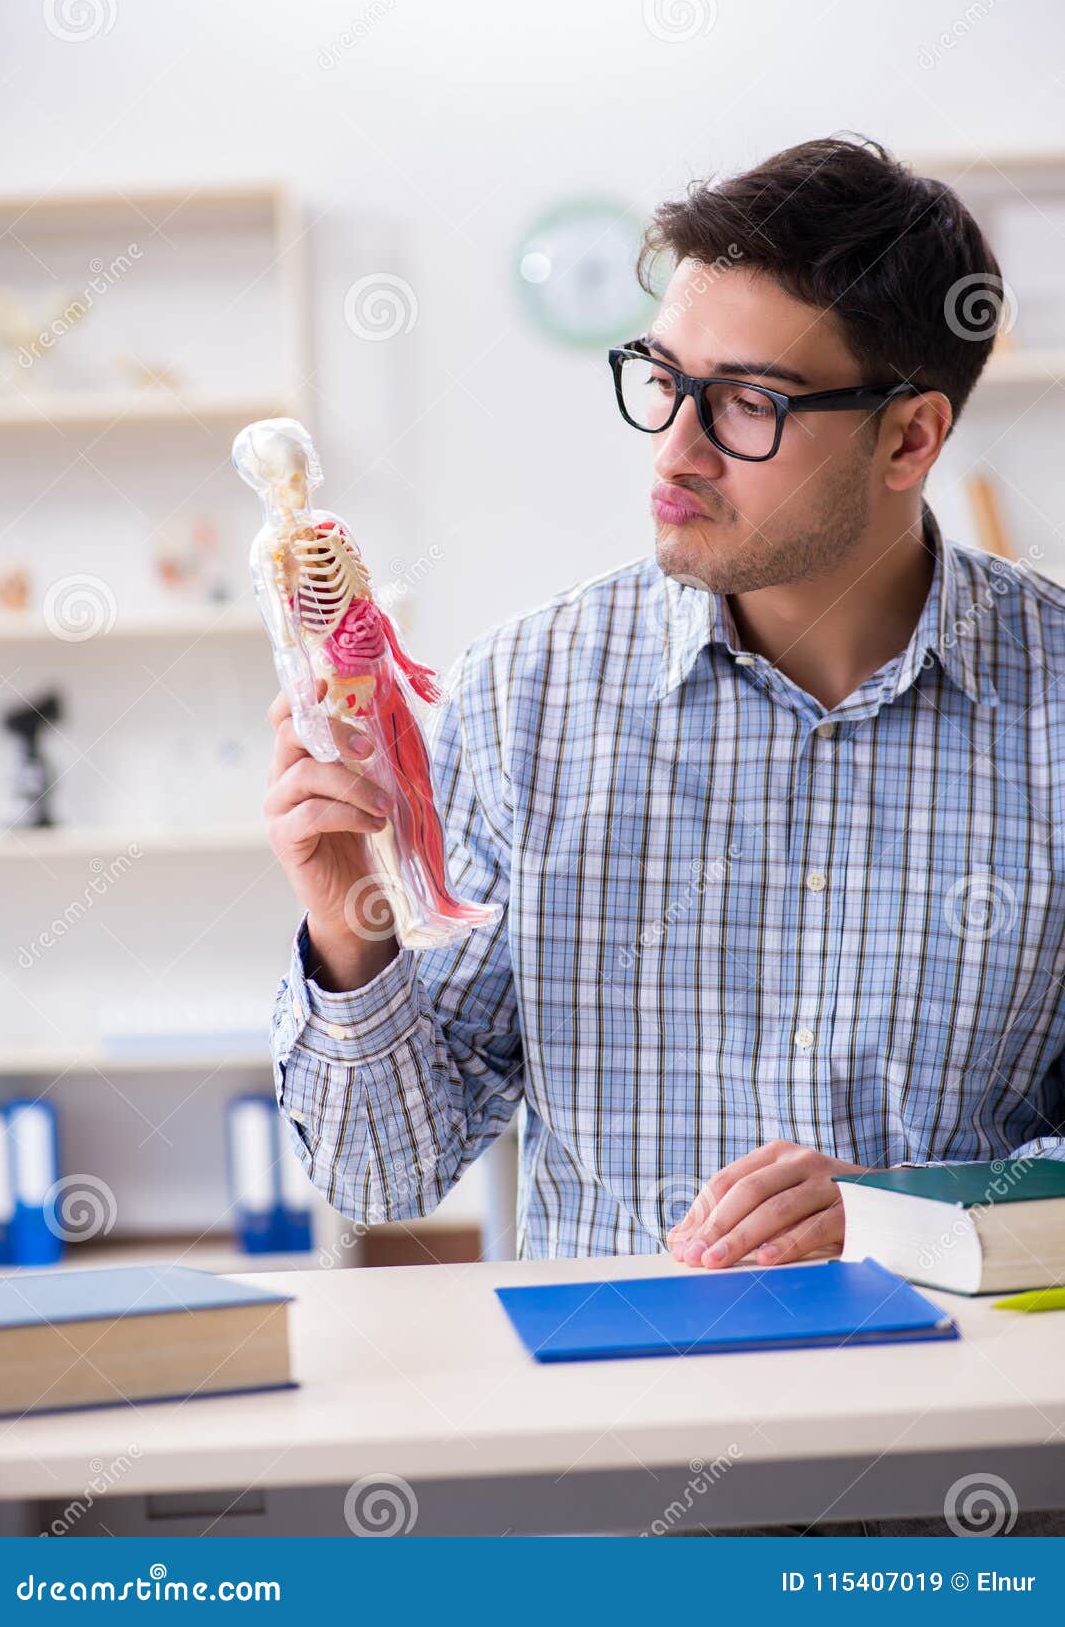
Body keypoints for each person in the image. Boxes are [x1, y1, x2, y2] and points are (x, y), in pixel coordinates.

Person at [263, 136, 1065, 1535]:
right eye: (665, 381)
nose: (675, 450)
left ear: (912, 436)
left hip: (972, 1489)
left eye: (747, 403)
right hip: (606, 1491)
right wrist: (350, 925)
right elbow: (380, 1175)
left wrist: (913, 1216)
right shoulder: (525, 698)